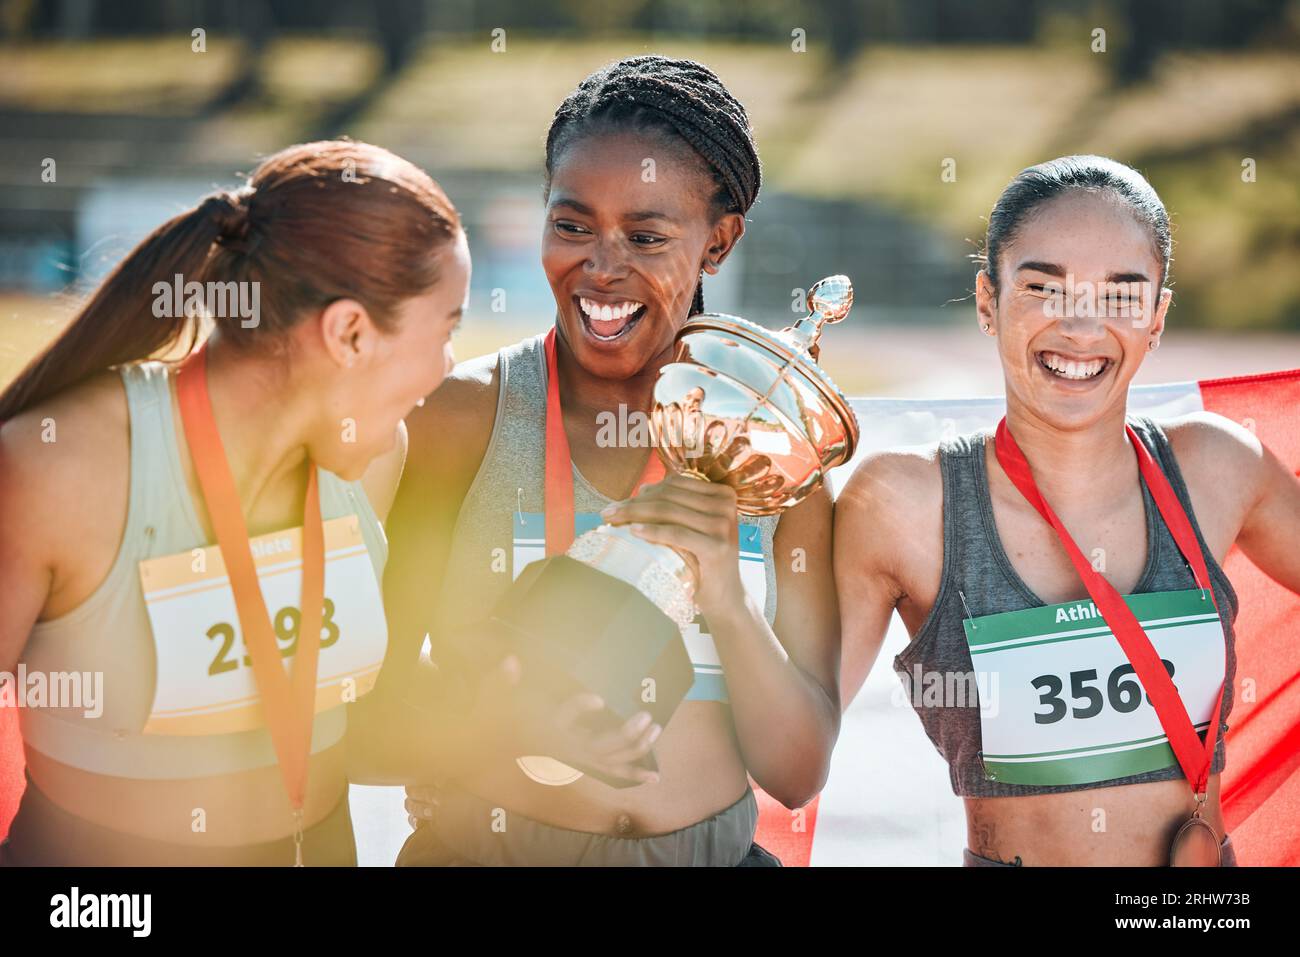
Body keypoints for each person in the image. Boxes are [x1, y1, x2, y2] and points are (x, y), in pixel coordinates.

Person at [350, 56, 841, 866]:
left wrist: (722, 592)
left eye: (646, 236)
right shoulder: (462, 419)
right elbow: (358, 721)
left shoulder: (774, 453)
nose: (601, 268)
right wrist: (499, 728)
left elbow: (795, 770)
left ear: (718, 241)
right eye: (572, 225)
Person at [0, 140, 468, 865]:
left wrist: (513, 715)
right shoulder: (57, 470)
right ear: (348, 332)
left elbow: (343, 716)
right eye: (447, 330)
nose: (447, 369)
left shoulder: (376, 458)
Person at [835, 155, 1300, 866]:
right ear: (988, 303)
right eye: (1044, 287)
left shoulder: (1219, 467)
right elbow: (787, 745)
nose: (1082, 328)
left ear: (1158, 315)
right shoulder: (903, 502)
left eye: (1121, 294)